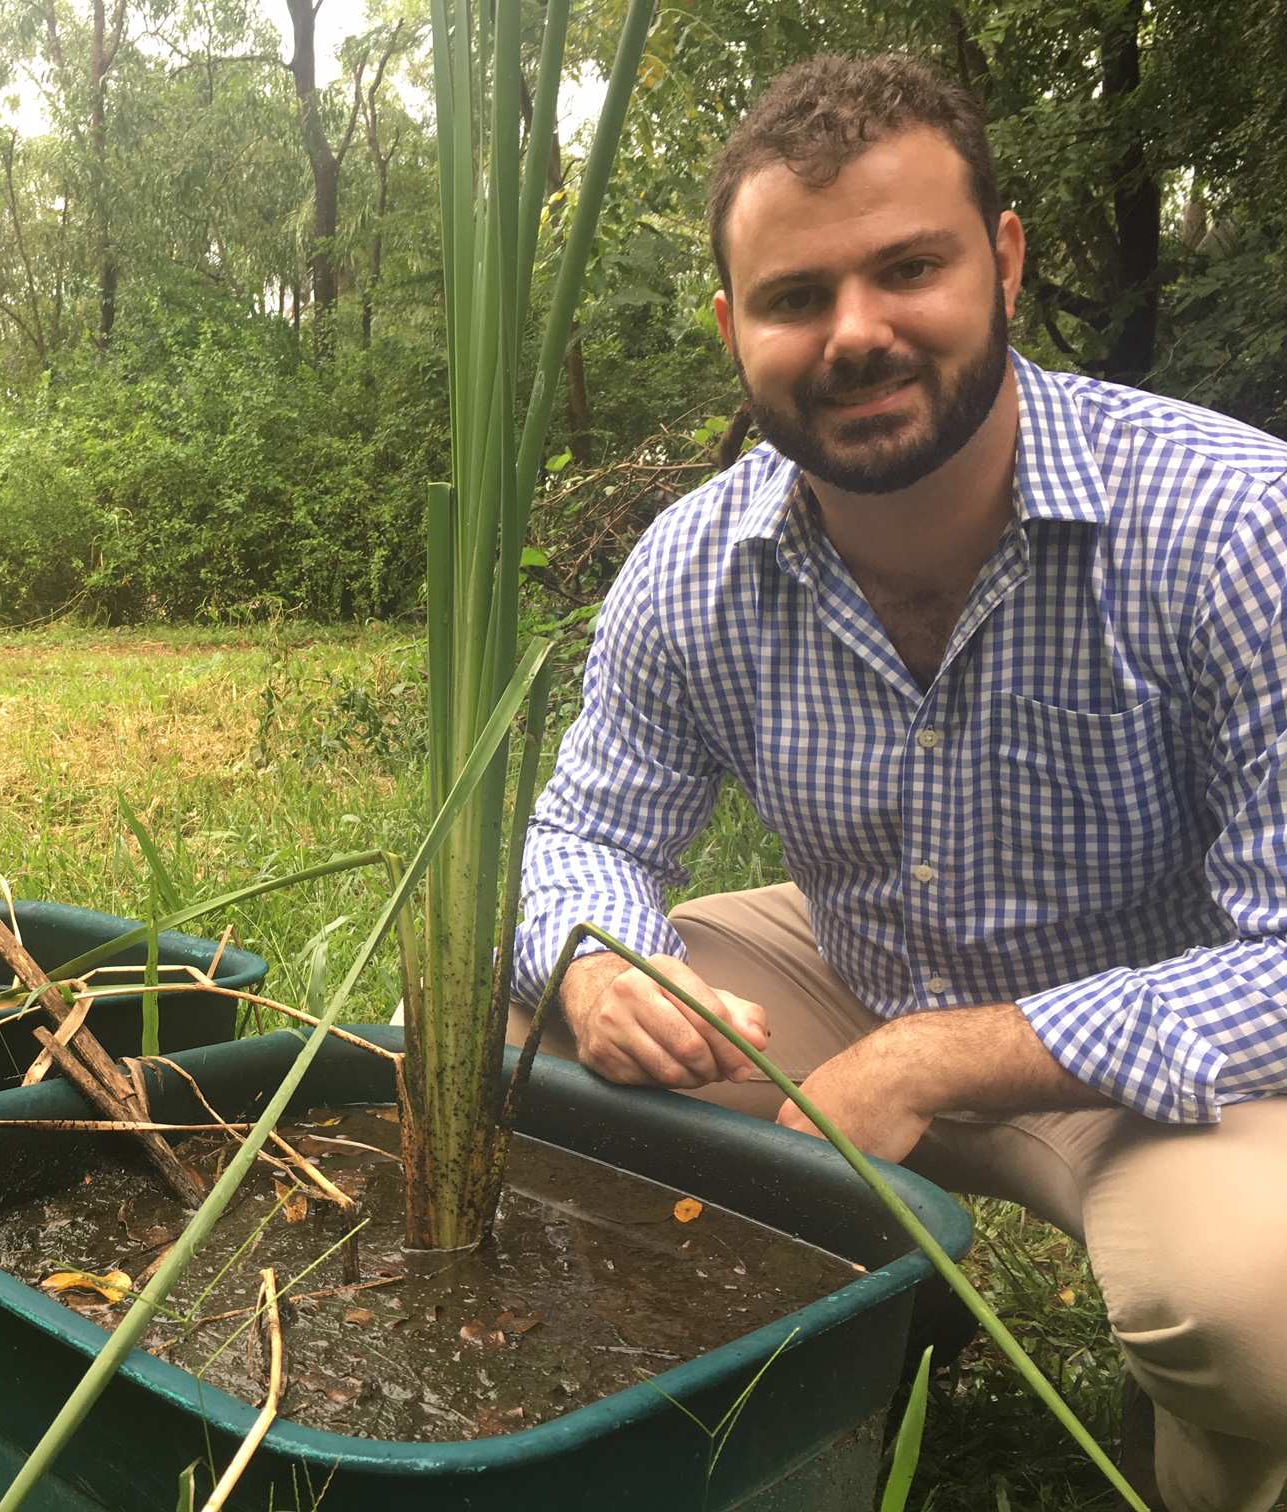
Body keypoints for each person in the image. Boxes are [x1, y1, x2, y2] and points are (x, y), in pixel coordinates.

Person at [512, 51, 1287, 1512]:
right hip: (853, 968)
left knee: (1261, 1308)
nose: (855, 332)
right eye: (799, 298)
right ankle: (844, 1338)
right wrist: (597, 965)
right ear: (736, 326)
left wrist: (934, 1059)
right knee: (504, 1035)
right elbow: (584, 832)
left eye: (908, 268)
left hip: (1146, 1055)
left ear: (999, 261)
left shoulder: (1235, 525)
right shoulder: (695, 563)